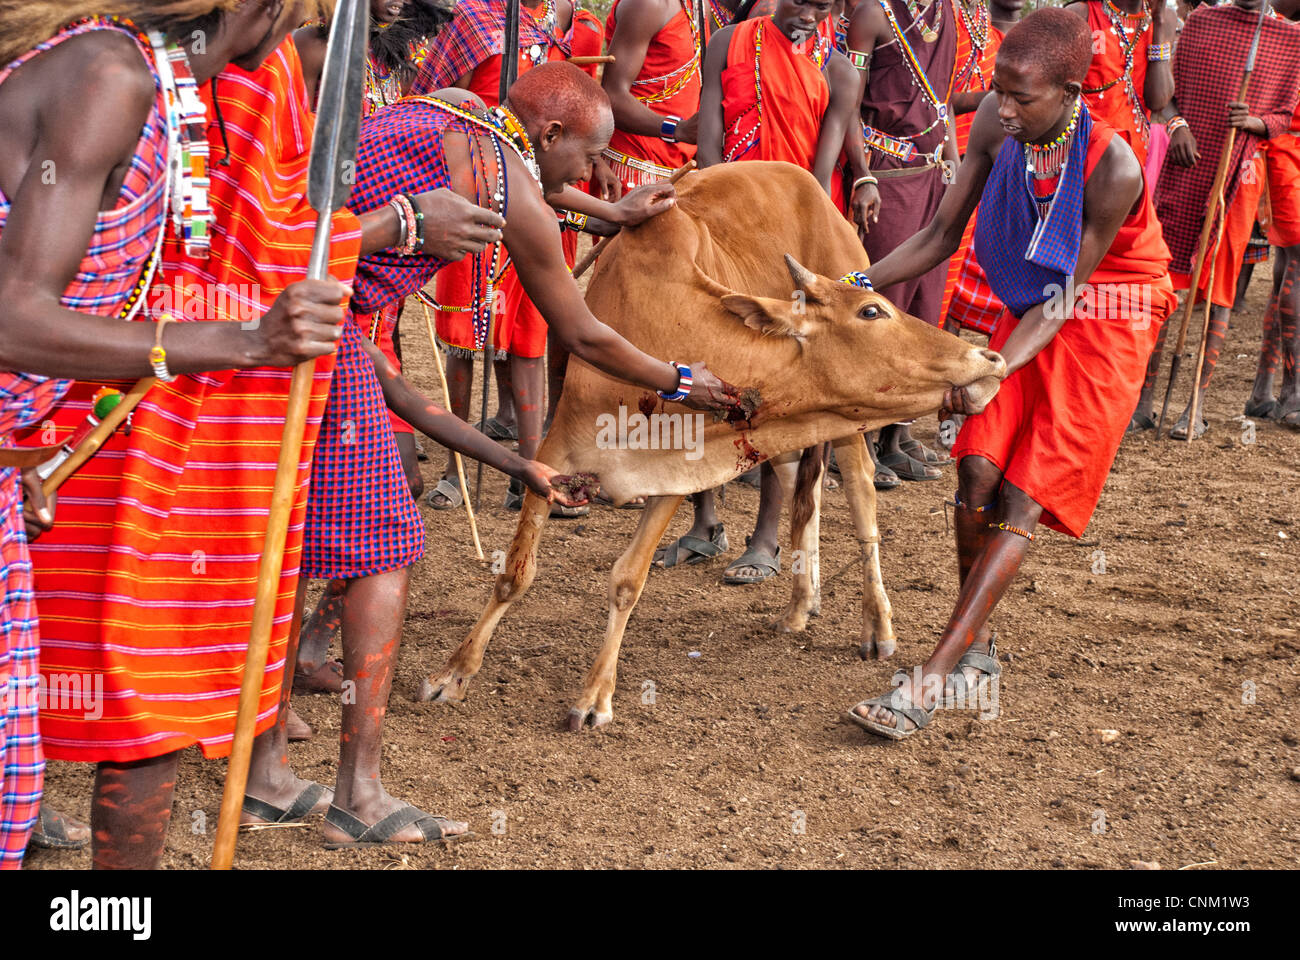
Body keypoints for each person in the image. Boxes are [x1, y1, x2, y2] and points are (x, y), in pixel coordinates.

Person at [250, 62, 741, 847]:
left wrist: (605, 211)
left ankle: (265, 769)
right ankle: (359, 793)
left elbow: (532, 199)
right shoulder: (507, 184)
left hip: (269, 302)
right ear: (549, 134)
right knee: (381, 550)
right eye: (587, 156)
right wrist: (681, 380)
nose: (591, 172)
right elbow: (583, 333)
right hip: (316, 334)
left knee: (281, 548)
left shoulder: (444, 110)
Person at [2, 1, 353, 870]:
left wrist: (23, 455)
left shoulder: (152, 85)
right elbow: (11, 319)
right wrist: (247, 340)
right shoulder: (108, 78)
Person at [845, 8, 1175, 738]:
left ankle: (932, 678)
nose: (1002, 107)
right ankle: (979, 645)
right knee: (976, 471)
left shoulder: (1112, 166)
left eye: (1022, 96)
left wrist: (992, 365)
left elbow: (1068, 295)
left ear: (1070, 89)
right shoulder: (997, 130)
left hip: (1107, 310)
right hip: (1034, 299)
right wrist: (852, 286)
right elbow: (937, 235)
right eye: (998, 90)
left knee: (1024, 496)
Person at [651, 0, 866, 583]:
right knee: (703, 366)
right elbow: (709, 144)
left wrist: (790, 253)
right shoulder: (728, 42)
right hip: (723, 226)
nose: (809, 15)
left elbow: (816, 184)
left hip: (795, 244)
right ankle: (705, 521)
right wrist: (722, 215)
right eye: (801, 1)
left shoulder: (840, 71)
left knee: (785, 382)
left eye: (824, 7)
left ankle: (768, 535)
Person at [411, 0, 565, 513]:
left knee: (526, 336)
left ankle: (528, 468)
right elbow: (426, 101)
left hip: (532, 197)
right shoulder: (474, 19)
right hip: (467, 196)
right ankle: (455, 468)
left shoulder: (555, 20)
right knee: (462, 337)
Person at [1130, 0, 1300, 438]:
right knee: (1163, 279)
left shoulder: (1289, 38)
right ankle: (1144, 401)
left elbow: (1283, 119)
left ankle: (1196, 405)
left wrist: (1257, 122)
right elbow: (1164, 98)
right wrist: (1179, 126)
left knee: (1222, 287)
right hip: (1185, 168)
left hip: (1239, 175)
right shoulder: (1203, 21)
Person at [845, 0, 958, 485]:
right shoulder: (873, 13)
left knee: (923, 306)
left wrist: (955, 165)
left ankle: (896, 437)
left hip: (935, 175)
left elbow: (944, 100)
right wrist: (862, 175)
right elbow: (847, 102)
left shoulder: (952, 13)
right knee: (880, 306)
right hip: (888, 174)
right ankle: (855, 444)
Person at [1249, 0, 1300, 425]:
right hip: (1288, 149)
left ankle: (1266, 389)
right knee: (1295, 264)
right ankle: (1293, 392)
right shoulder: (1276, 30)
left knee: (1287, 267)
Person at [1067, 0, 1174, 169]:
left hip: (1134, 157)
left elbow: (1158, 101)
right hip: (1085, 150)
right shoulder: (1081, 13)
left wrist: (1159, 21)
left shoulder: (1164, 18)